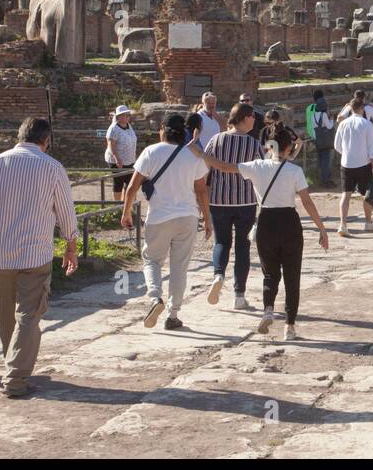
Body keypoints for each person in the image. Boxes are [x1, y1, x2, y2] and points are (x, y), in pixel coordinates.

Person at [0, 118, 79, 398]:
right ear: (46, 141)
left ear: (19, 136)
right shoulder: (53, 167)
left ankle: (12, 363)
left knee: (5, 313)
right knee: (29, 315)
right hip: (36, 253)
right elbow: (66, 211)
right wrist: (71, 246)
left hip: (2, 252)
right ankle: (16, 377)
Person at [204, 126, 329, 340]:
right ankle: (289, 327)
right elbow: (307, 202)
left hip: (266, 222)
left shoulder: (257, 166)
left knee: (270, 274)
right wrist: (321, 228)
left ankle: (268, 309)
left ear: (269, 147)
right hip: (289, 221)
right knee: (292, 276)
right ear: (289, 148)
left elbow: (223, 167)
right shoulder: (295, 171)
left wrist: (199, 152)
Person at [121, 114, 210, 331]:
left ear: (163, 129)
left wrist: (126, 213)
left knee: (152, 260)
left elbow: (133, 187)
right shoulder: (193, 156)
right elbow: (201, 191)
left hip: (159, 216)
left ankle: (154, 299)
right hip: (187, 217)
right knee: (180, 267)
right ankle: (173, 314)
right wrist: (208, 219)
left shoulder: (151, 151)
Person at [200, 103, 263, 310]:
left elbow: (206, 168)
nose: (254, 119)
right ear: (244, 118)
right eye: (252, 116)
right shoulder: (253, 144)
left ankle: (218, 274)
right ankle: (239, 295)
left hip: (219, 200)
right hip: (245, 201)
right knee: (243, 247)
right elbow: (262, 172)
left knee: (221, 243)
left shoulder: (216, 139)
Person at [334, 97, 373, 238]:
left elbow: (337, 145)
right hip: (363, 163)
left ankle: (343, 224)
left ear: (351, 108)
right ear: (362, 108)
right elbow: (371, 148)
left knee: (346, 194)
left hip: (346, 163)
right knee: (367, 194)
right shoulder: (367, 124)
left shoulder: (343, 123)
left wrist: (347, 153)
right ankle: (368, 222)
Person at [104, 105, 138, 202]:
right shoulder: (114, 128)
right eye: (124, 115)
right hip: (117, 161)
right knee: (118, 183)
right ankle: (118, 206)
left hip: (130, 160)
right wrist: (117, 158)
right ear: (118, 117)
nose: (127, 117)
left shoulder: (128, 126)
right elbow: (111, 145)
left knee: (130, 184)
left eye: (128, 115)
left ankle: (128, 206)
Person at [305, 90, 336, 186]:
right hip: (325, 141)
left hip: (317, 139)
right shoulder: (324, 115)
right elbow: (330, 126)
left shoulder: (314, 114)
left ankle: (321, 178)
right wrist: (332, 120)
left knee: (321, 160)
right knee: (326, 162)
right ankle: (325, 181)